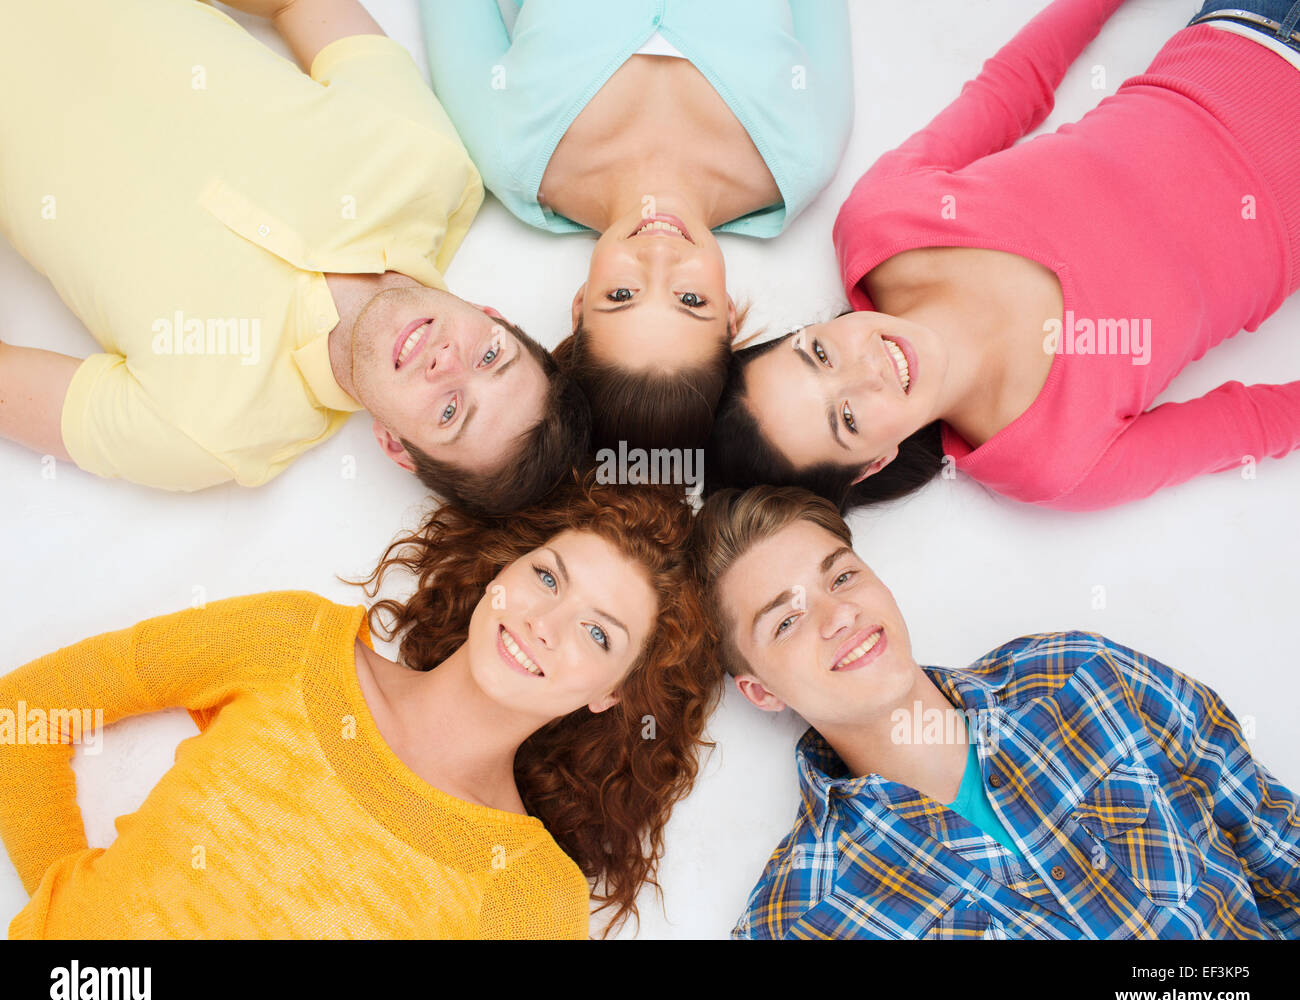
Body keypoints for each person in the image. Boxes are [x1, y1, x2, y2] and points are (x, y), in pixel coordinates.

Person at [0, 475, 719, 938]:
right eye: (547, 578)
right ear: (501, 571)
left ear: (610, 693)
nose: (545, 622)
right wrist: (67, 917)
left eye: (597, 633)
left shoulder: (528, 896)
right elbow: (26, 711)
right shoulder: (292, 641)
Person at [709, 0, 1300, 512]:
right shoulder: (1052, 462)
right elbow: (1253, 423)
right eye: (848, 419)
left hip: (1246, 25)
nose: (868, 370)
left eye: (818, 353)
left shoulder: (879, 223)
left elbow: (1012, 87)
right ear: (873, 465)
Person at [0, 0, 589, 514]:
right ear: (491, 313)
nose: (446, 364)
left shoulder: (208, 432)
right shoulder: (429, 162)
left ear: (393, 447)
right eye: (490, 355)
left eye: (449, 413)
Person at [691, 485, 1300, 938]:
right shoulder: (799, 919)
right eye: (788, 620)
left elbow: (1277, 845)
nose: (839, 616)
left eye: (843, 577)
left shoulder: (1078, 676)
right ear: (761, 692)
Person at [420, 0, 852, 451]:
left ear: (581, 304)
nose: (660, 256)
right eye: (690, 299)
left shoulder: (508, 153)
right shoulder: (804, 153)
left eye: (622, 295)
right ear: (728, 315)